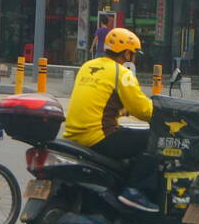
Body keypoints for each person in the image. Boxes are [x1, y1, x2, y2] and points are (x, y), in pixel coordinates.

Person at [63, 27, 161, 213]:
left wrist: (121, 110)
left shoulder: (87, 66)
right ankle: (135, 191)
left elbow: (99, 100)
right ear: (126, 53)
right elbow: (142, 110)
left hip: (72, 135)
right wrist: (163, 115)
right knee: (153, 140)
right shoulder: (122, 74)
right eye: (133, 54)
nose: (134, 57)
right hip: (98, 137)